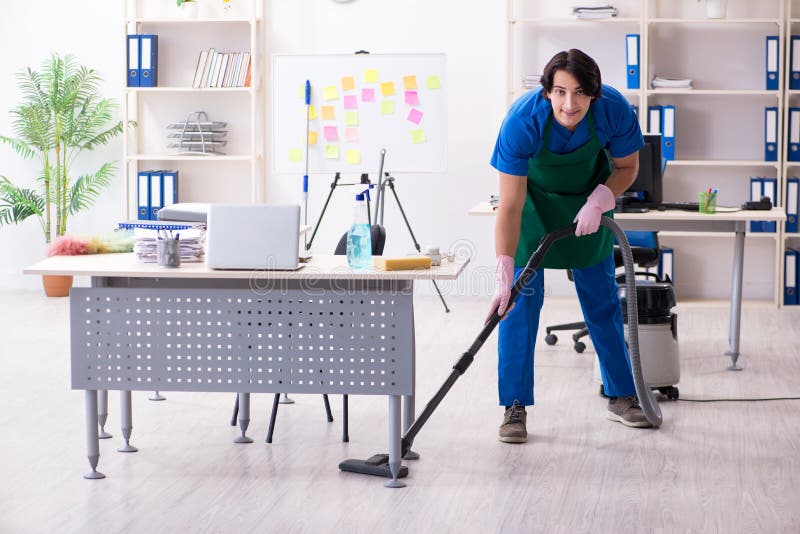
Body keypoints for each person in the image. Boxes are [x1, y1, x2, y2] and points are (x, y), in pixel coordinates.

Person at [488, 48, 651, 444]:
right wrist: (503, 270)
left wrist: (602, 199)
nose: (569, 103)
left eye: (579, 93)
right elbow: (509, 205)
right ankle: (514, 406)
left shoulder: (613, 109)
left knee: (601, 301)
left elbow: (628, 168)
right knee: (519, 305)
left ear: (594, 93)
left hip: (587, 206)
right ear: (546, 92)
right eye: (559, 92)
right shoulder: (522, 121)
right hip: (534, 206)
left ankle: (621, 394)